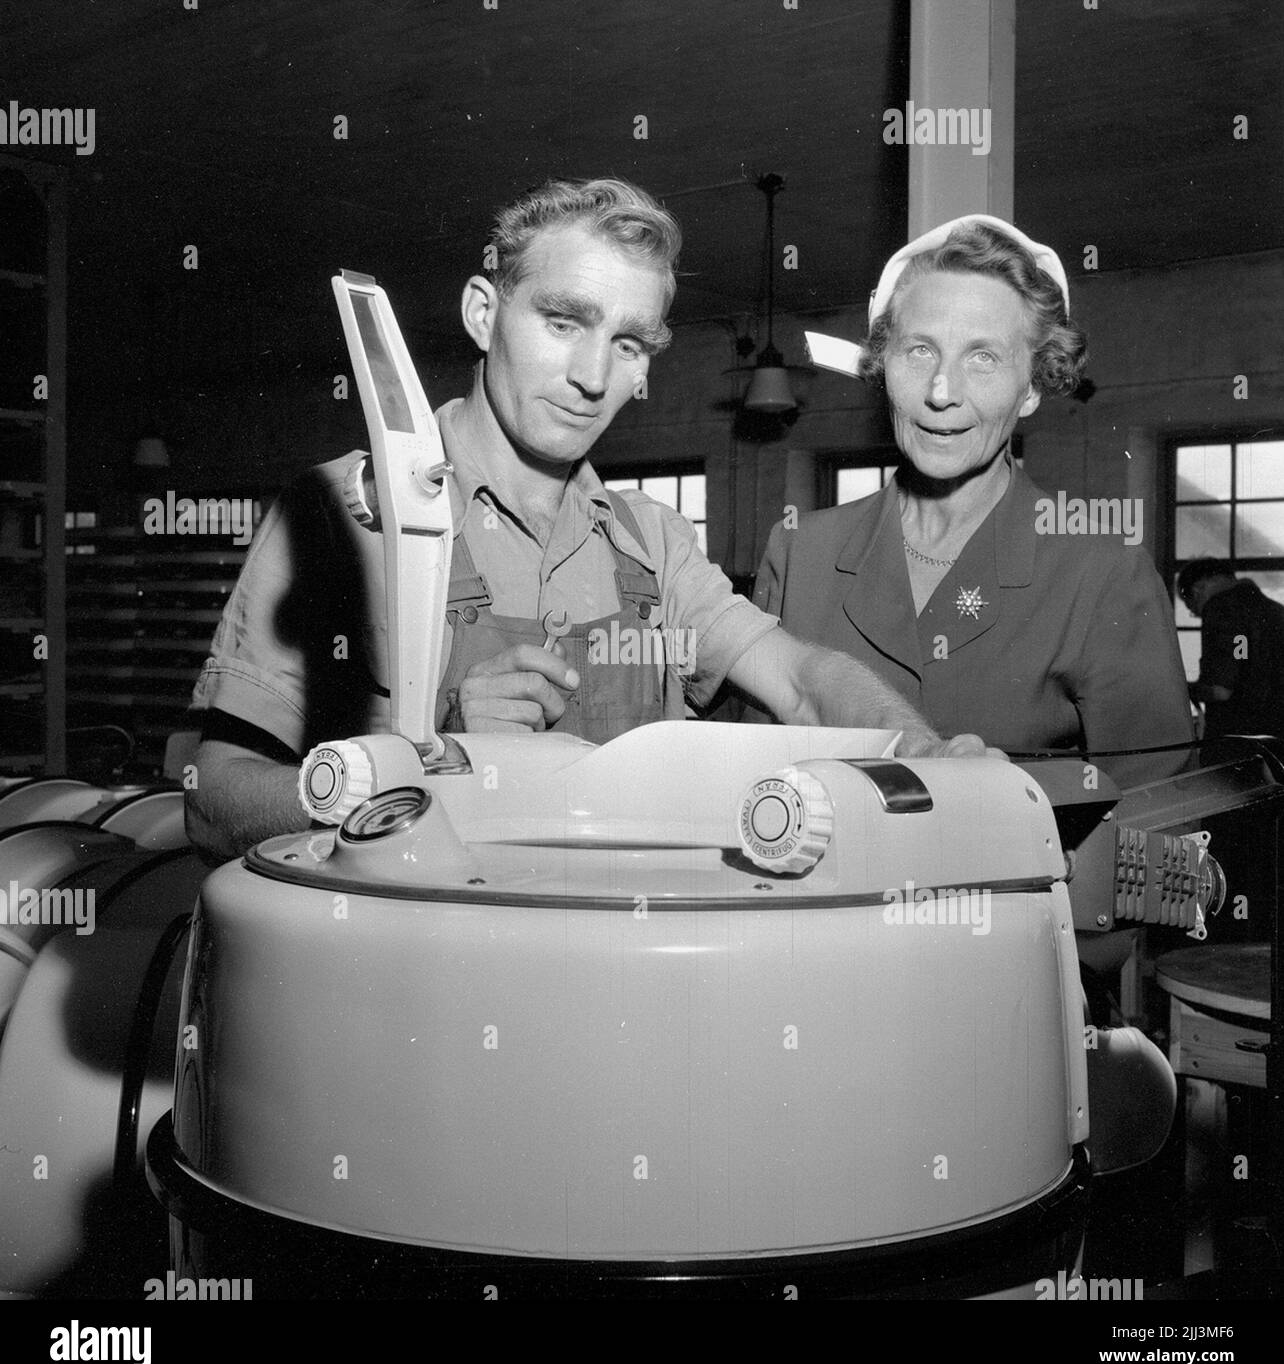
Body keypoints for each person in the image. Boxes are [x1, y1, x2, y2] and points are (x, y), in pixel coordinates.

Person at [186, 178, 995, 861]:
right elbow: (213, 798)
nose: (592, 375)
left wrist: (917, 748)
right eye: (563, 321)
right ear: (482, 311)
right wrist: (423, 760)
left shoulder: (651, 542)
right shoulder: (344, 516)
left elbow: (802, 681)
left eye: (630, 343)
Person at [752, 215, 1193, 786]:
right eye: (918, 351)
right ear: (883, 366)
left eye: (982, 357)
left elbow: (1152, 815)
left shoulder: (1101, 572)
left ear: (1032, 386)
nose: (941, 392)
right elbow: (748, 774)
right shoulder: (800, 552)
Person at [1178, 558, 1284, 739]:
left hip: (1237, 737)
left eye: (1193, 608)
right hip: (1276, 737)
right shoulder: (1276, 610)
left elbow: (1221, 689)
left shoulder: (1220, 608)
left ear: (1197, 590)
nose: (1198, 614)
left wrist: (1182, 689)